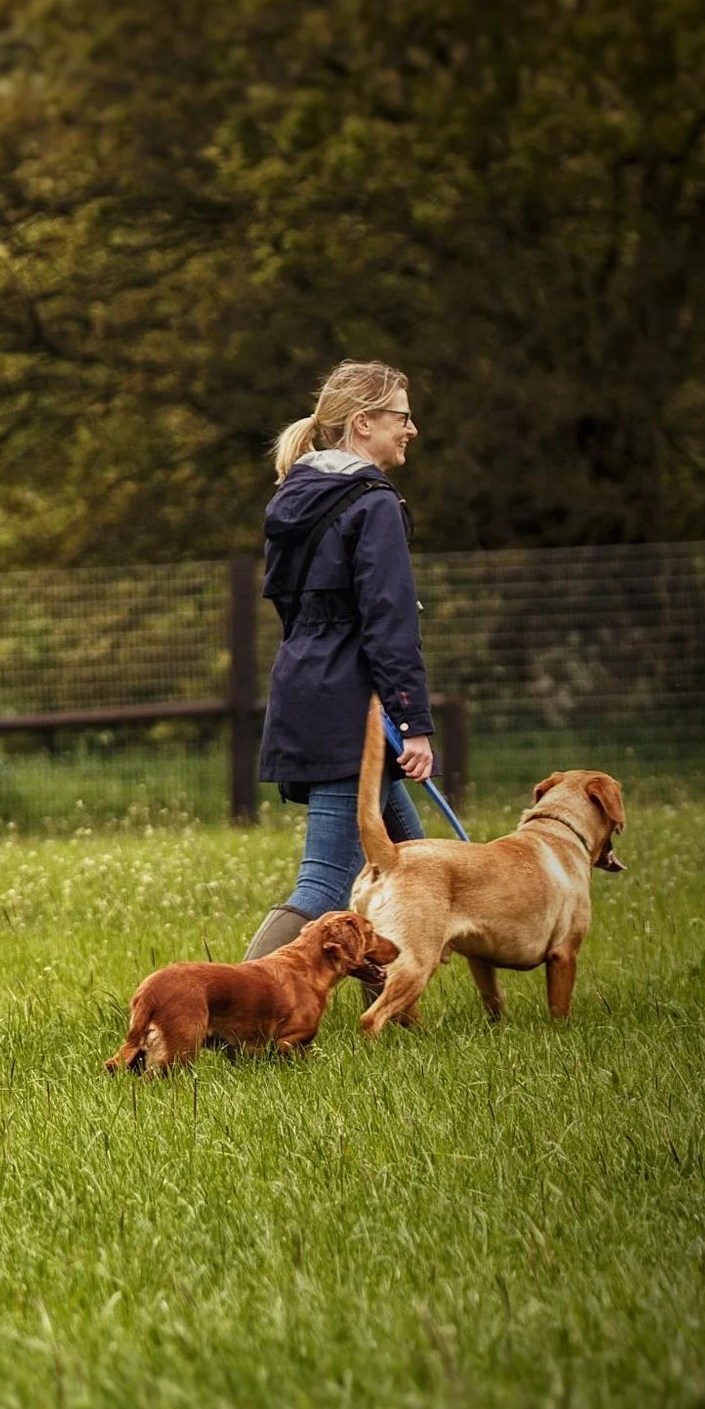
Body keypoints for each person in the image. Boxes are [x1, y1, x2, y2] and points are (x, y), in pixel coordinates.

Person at [243, 360, 434, 961]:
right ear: (362, 424)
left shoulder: (294, 496)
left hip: (306, 690)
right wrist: (412, 724)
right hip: (349, 708)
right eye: (401, 417)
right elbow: (390, 622)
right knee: (324, 882)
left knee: (410, 862)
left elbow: (293, 610)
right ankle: (233, 1004)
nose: (412, 429)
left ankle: (393, 998)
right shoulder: (372, 503)